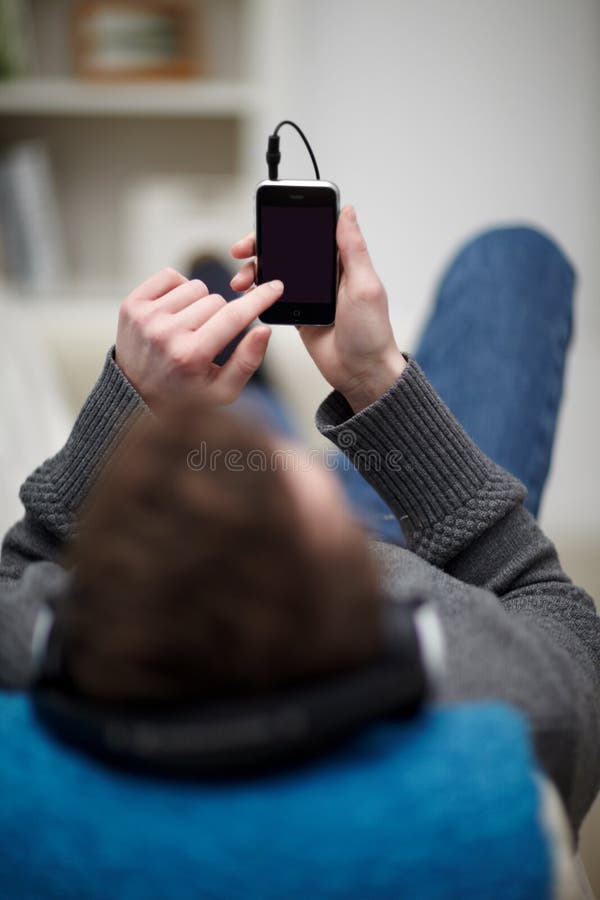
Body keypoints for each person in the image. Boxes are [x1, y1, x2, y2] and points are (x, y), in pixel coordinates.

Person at [0, 206, 598, 835]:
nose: (276, 465)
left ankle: (221, 303)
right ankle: (225, 310)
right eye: (281, 472)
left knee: (235, 391)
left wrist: (136, 397)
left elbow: (15, 576)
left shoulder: (56, 646)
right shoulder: (486, 673)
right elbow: (553, 608)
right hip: (434, 546)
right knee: (513, 255)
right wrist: (375, 378)